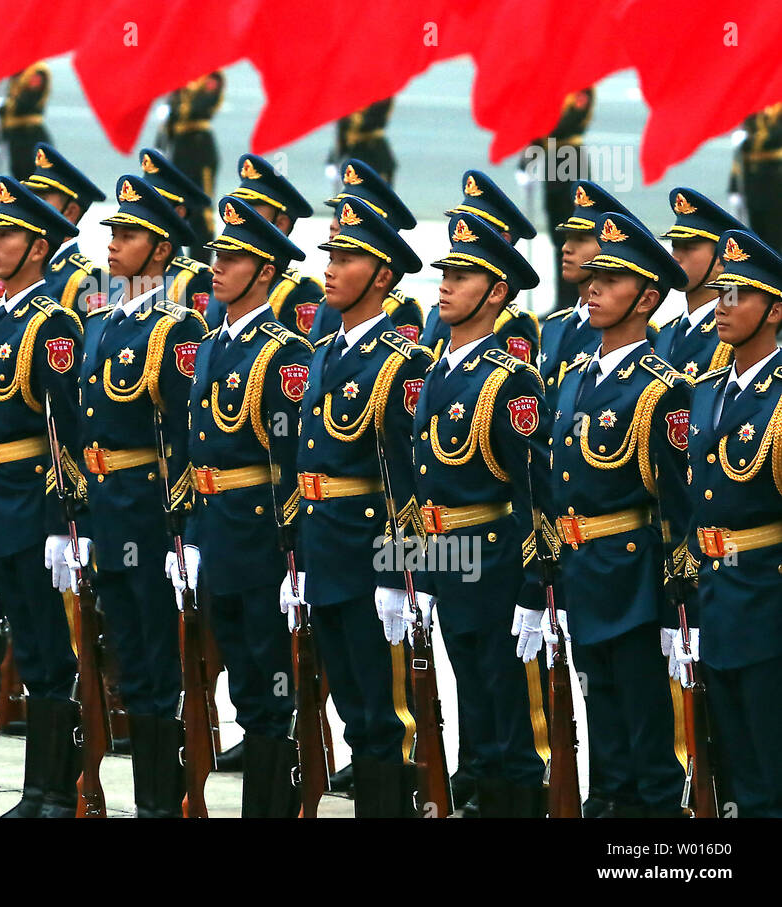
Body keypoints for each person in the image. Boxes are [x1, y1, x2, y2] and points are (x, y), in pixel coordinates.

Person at [378, 212, 551, 818]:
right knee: (472, 694)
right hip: (446, 555)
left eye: (462, 274)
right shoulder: (436, 370)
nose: (444, 284)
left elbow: (533, 491)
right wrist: (418, 573)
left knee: (507, 703)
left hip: (493, 552)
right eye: (444, 272)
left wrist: (534, 584)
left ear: (498, 291)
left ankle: (517, 804)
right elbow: (421, 482)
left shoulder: (509, 379)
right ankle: (482, 795)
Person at [169, 194, 312, 817]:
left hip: (259, 535)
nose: (216, 269)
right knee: (241, 681)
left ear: (265, 272)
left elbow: (289, 461)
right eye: (216, 257)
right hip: (219, 529)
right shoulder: (209, 345)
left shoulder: (283, 351)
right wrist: (193, 536)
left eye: (232, 259)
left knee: (270, 683)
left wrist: (292, 555)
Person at [548, 211, 691, 817]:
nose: (592, 287)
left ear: (648, 297)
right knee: (600, 713)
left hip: (634, 575)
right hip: (582, 568)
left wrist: (678, 604)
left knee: (645, 725)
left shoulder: (662, 388)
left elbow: (679, 507)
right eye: (592, 276)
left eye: (610, 279)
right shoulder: (576, 376)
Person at [290, 195, 429, 817]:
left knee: (382, 705)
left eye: (346, 259)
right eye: (331, 256)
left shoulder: (401, 364)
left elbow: (407, 477)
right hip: (324, 546)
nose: (330, 268)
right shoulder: (325, 353)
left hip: (370, 551)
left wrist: (402, 576)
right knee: (348, 697)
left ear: (382, 275)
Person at [79, 174, 207, 816]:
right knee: (126, 655)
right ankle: (147, 795)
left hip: (150, 515)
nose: (114, 247)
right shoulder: (100, 324)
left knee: (159, 659)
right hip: (106, 508)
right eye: (114, 232)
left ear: (159, 252)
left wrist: (183, 530)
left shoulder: (175, 330)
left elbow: (185, 436)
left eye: (128, 236)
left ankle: (164, 799)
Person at [0, 178, 85, 816]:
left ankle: (57, 790)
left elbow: (65, 428)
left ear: (37, 248)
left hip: (36, 507)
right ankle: (37, 789)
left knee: (50, 648)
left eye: (5, 235)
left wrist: (67, 522)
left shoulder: (53, 323)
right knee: (30, 649)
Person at [681, 229, 782, 816]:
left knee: (772, 761)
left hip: (768, 594)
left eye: (738, 296)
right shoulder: (705, 392)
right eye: (720, 293)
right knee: (735, 765)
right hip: (716, 594)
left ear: (774, 310)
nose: (722, 306)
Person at [540, 181, 642, 414]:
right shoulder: (555, 326)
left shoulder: (626, 327)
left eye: (581, 239)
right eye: (567, 238)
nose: (566, 248)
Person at [419, 171, 541, 364]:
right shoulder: (439, 311)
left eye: (475, 228)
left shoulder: (511, 323)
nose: (460, 231)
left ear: (504, 240)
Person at [207, 154, 323, 340]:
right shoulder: (218, 281)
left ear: (281, 224)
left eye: (251, 209)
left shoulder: (300, 293)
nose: (239, 215)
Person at [311, 160, 424, 345]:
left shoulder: (399, 309)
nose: (334, 224)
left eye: (350, 216)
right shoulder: (327, 303)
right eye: (337, 214)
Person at [654, 188, 744, 379]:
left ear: (721, 261)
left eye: (688, 248)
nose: (675, 258)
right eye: (675, 247)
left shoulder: (733, 337)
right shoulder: (664, 333)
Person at [520, 88, 594, 312]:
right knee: (558, 237)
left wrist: (541, 127)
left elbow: (569, 122)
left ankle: (579, 300)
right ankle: (563, 302)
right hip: (552, 160)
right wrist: (527, 160)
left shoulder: (582, 86)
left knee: (576, 235)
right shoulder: (552, 84)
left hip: (571, 159)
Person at [20, 143, 110, 321]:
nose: (31, 207)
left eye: (42, 199)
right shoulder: (17, 263)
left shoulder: (88, 279)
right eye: (30, 198)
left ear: (71, 211)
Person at [137, 147, 213, 316]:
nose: (138, 214)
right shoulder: (123, 272)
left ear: (178, 213)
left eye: (151, 206)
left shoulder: (194, 281)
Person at [160, 72, 224, 255]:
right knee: (176, 204)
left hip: (200, 149)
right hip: (180, 149)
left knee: (201, 209)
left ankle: (202, 259)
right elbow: (172, 115)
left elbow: (199, 107)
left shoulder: (212, 78)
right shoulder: (182, 78)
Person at [730, 102, 782, 255]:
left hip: (777, 177)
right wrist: (734, 186)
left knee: (775, 232)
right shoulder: (755, 103)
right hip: (754, 180)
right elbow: (739, 160)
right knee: (757, 230)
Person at [0, 63, 53, 181]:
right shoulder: (17, 71)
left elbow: (27, 101)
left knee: (31, 175)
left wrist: (7, 107)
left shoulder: (37, 72)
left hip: (29, 134)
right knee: (17, 172)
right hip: (15, 135)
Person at [331, 97, 395, 185]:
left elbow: (376, 120)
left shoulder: (381, 97)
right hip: (355, 151)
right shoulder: (348, 100)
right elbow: (342, 130)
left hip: (375, 150)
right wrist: (335, 159)